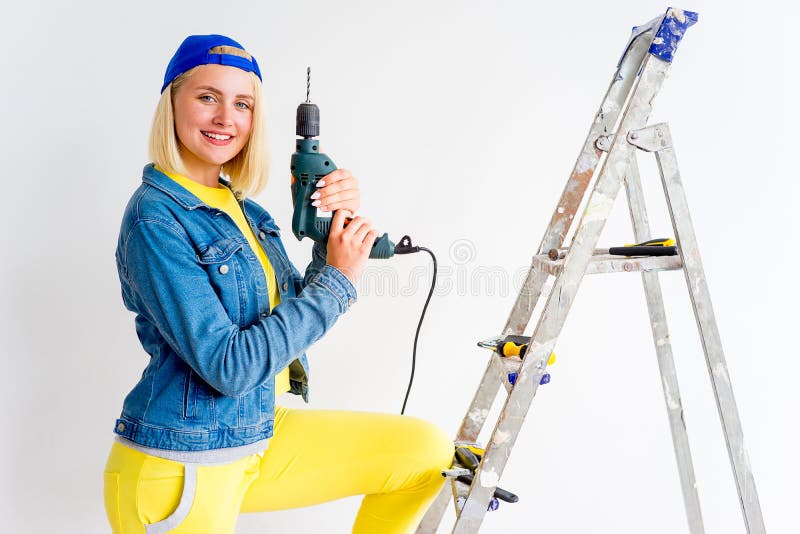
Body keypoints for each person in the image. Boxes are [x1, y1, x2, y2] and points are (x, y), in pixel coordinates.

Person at [103, 34, 454, 534]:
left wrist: (329, 240)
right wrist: (338, 279)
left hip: (253, 434)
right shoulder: (155, 219)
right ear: (171, 104)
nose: (226, 118)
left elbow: (288, 319)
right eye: (207, 97)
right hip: (179, 465)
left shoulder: (246, 210)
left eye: (242, 104)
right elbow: (229, 366)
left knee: (424, 452)